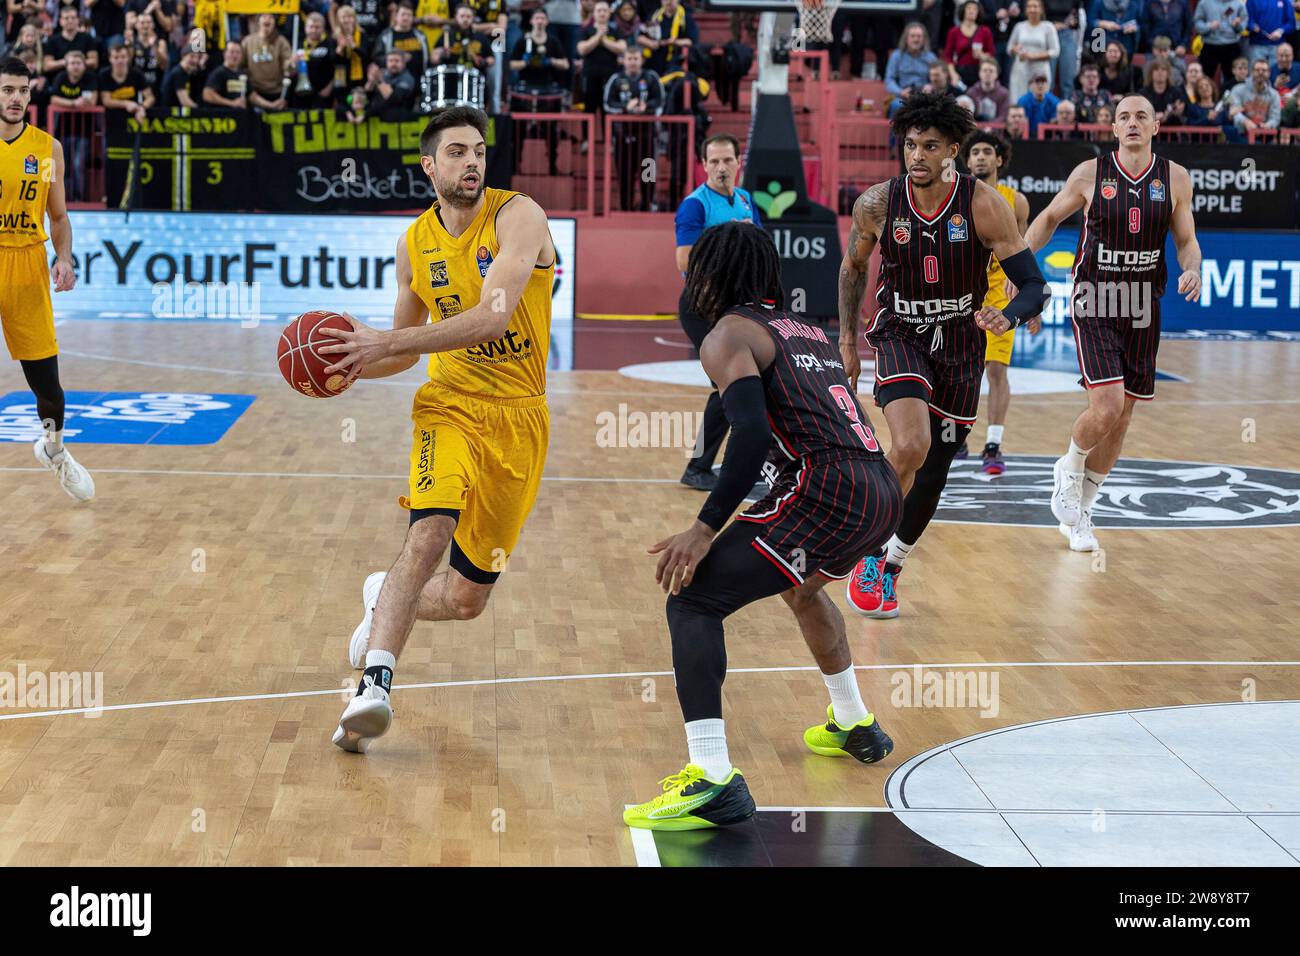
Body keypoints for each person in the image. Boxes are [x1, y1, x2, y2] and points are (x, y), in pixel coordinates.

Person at [623, 222, 903, 831]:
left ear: (709, 277)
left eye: (696, 270)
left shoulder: (728, 335)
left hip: (826, 487)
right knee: (803, 590)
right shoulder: (806, 328)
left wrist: (703, 528)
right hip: (880, 488)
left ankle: (711, 778)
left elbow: (748, 436)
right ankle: (855, 721)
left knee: (692, 600)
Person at [321, 105, 556, 754]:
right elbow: (399, 355)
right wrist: (347, 365)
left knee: (463, 599)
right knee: (428, 532)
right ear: (429, 166)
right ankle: (373, 687)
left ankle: (380, 601)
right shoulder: (413, 244)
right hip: (448, 405)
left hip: (520, 419)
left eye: (478, 151)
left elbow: (494, 316)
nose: (472, 162)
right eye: (456, 152)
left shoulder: (519, 216)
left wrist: (387, 341)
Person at [837, 93, 1048, 619]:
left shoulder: (983, 204)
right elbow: (853, 268)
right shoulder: (878, 204)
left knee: (934, 468)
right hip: (900, 330)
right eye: (910, 145)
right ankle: (865, 551)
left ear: (954, 149)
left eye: (930, 146)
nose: (917, 156)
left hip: (961, 339)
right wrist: (845, 340)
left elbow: (1033, 285)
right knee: (910, 444)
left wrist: (1011, 315)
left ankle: (892, 565)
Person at [1025, 94, 1202, 552]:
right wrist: (1020, 273)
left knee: (1122, 417)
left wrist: (1193, 267)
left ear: (1157, 126)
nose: (1133, 123)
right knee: (1105, 406)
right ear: (1113, 128)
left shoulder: (1176, 178)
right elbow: (1046, 219)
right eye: (1124, 117)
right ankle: (1070, 463)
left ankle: (1083, 510)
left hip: (1144, 303)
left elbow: (1187, 241)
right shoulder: (1090, 173)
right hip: (1094, 299)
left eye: (1141, 116)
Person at [0, 56, 94, 501]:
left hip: (27, 263)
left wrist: (65, 258)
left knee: (50, 391)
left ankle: (54, 450)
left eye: (21, 90)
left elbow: (58, 215)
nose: (15, 98)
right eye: (6, 90)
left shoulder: (48, 148)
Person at [673, 133, 762, 492]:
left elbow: (759, 247)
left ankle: (705, 465)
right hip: (702, 305)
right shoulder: (695, 205)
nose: (721, 167)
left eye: (728, 160)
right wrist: (728, 238)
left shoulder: (745, 200)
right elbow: (684, 259)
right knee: (730, 387)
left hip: (734, 307)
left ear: (738, 162)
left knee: (739, 387)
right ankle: (698, 466)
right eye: (714, 161)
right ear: (704, 165)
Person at [959, 131, 1035, 475]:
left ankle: (992, 444)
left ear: (999, 160)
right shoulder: (957, 198)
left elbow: (1024, 251)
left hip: (999, 296)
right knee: (960, 372)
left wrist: (1031, 302)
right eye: (974, 152)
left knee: (996, 370)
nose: (979, 158)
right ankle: (956, 435)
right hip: (961, 297)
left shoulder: (1015, 201)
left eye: (986, 152)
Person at [603, 45, 660, 210]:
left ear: (641, 60)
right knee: (625, 176)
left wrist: (646, 107)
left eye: (636, 59)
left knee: (648, 176)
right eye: (629, 59)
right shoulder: (616, 79)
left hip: (648, 137)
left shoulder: (651, 77)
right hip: (623, 137)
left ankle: (647, 206)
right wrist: (625, 107)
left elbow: (660, 101)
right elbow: (608, 104)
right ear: (623, 60)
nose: (632, 62)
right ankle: (625, 207)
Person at [576, 0, 626, 116]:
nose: (602, 13)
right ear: (594, 13)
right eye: (599, 11)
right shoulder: (585, 30)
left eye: (605, 10)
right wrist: (598, 35)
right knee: (589, 110)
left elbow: (622, 48)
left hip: (610, 77)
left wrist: (604, 41)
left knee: (608, 110)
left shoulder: (615, 31)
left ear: (609, 13)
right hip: (590, 76)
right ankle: (586, 135)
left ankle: (609, 135)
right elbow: (582, 49)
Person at [1007, 0, 1058, 101]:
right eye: (1029, 7)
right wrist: (1015, 49)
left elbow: (1055, 51)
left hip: (1040, 69)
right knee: (1018, 99)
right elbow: (1009, 48)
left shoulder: (1048, 27)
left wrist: (1034, 56)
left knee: (1040, 100)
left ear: (1041, 9)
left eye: (1035, 6)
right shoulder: (1019, 26)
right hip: (1021, 69)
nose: (1032, 9)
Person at [885, 21, 938, 115]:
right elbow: (889, 80)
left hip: (925, 97)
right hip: (903, 96)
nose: (916, 39)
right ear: (906, 39)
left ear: (924, 39)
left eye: (919, 36)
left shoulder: (931, 57)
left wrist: (931, 86)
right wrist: (900, 91)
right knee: (896, 105)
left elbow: (938, 79)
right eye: (912, 36)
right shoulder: (896, 56)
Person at [241, 13, 293, 108]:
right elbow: (240, 65)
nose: (267, 19)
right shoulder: (248, 41)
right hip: (255, 91)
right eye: (264, 16)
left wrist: (291, 64)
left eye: (271, 17)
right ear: (258, 21)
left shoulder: (281, 41)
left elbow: (288, 66)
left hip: (277, 91)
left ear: (275, 22)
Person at [1194, 0, 1251, 86]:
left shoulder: (1238, 4)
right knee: (1205, 78)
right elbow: (1197, 23)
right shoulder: (1204, 3)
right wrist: (1208, 26)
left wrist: (1237, 25)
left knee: (1233, 80)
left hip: (1231, 45)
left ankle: (1230, 98)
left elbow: (1243, 25)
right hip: (1210, 45)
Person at [1227, 55, 1283, 135]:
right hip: (1241, 134)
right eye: (1257, 70)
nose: (1260, 73)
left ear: (1269, 73)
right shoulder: (1237, 90)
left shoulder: (1274, 95)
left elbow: (1275, 118)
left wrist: (1267, 125)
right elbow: (1234, 112)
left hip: (1264, 136)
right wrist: (1246, 122)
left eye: (1264, 70)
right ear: (1252, 72)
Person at [99, 40, 154, 120]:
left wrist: (141, 108)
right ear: (110, 59)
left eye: (123, 57)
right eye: (116, 57)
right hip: (110, 119)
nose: (120, 60)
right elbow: (106, 100)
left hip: (132, 117)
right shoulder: (104, 74)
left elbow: (150, 97)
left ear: (128, 58)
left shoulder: (137, 74)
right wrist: (126, 104)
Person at [944, 1, 996, 87]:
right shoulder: (954, 32)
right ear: (963, 11)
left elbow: (991, 54)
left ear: (978, 12)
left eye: (975, 9)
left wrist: (982, 55)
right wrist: (953, 74)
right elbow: (948, 56)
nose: (971, 11)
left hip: (979, 72)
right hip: (960, 71)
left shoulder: (985, 31)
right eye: (968, 8)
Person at [1247, 0, 1298, 68]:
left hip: (1278, 46)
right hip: (1257, 45)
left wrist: (1281, 31)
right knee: (1257, 73)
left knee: (1276, 75)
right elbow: (1246, 20)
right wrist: (1252, 26)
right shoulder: (1252, 1)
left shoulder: (1285, 1)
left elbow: (1291, 23)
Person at [203, 41, 250, 109]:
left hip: (240, 115)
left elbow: (252, 95)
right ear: (224, 54)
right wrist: (232, 103)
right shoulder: (218, 73)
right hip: (223, 116)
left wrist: (270, 105)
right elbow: (207, 95)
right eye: (231, 52)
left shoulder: (242, 74)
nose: (235, 55)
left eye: (238, 52)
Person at [159, 42, 207, 108]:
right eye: (192, 56)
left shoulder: (189, 73)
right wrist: (202, 112)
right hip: (169, 114)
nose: (195, 60)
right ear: (183, 56)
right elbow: (184, 101)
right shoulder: (178, 73)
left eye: (198, 57)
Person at [1140, 59, 1188, 125]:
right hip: (1150, 133)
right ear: (1151, 73)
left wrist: (1178, 112)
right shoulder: (1143, 93)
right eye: (1156, 69)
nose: (1160, 72)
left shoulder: (1176, 92)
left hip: (1172, 131)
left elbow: (1183, 114)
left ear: (1168, 73)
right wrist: (1153, 117)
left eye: (1163, 69)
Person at [1016, 69, 1060, 134]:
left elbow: (1054, 122)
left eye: (1043, 82)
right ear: (1030, 85)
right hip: (1027, 135)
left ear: (1047, 85)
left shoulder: (1055, 101)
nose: (1040, 85)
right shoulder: (1023, 101)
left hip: (1048, 135)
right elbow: (1022, 122)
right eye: (1037, 82)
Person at [970, 55, 1010, 119]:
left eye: (991, 71)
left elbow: (1003, 117)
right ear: (979, 73)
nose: (988, 73)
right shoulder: (971, 93)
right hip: (975, 128)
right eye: (985, 70)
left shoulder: (1004, 94)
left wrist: (990, 127)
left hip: (996, 128)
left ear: (997, 74)